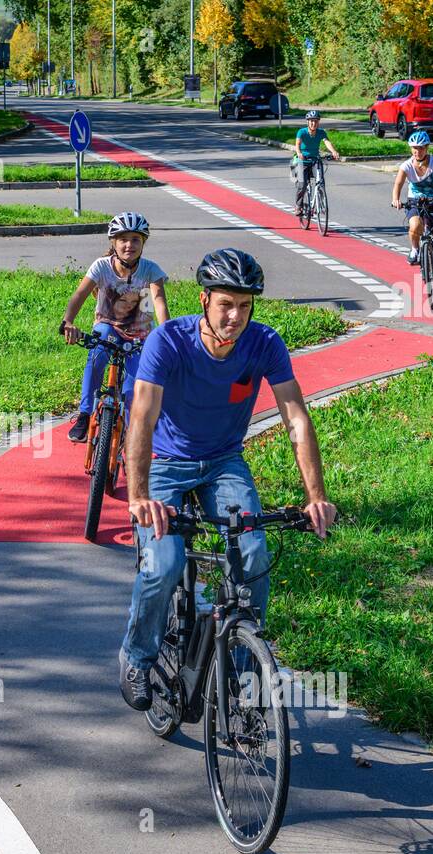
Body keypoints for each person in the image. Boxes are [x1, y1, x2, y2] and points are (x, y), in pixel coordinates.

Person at [117, 250, 338, 710]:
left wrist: (316, 497)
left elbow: (295, 417)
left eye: (244, 305)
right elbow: (141, 416)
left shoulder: (264, 344)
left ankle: (240, 665)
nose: (235, 316)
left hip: (223, 461)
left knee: (254, 553)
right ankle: (137, 657)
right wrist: (138, 496)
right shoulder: (169, 342)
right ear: (204, 300)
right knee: (163, 563)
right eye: (225, 305)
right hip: (164, 461)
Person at [60, 212, 170, 443]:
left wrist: (166, 333)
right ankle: (85, 413)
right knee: (97, 355)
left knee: (133, 391)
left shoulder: (151, 270)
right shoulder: (101, 266)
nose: (129, 245)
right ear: (113, 242)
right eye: (123, 239)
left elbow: (158, 301)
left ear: (143, 243)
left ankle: (130, 436)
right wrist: (68, 321)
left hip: (139, 337)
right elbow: (80, 294)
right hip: (107, 329)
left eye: (135, 239)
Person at [391, 130, 433, 296]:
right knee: (414, 226)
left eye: (420, 148)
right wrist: (396, 199)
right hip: (415, 202)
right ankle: (415, 249)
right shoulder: (406, 165)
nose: (417, 151)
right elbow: (398, 184)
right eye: (414, 148)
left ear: (427, 148)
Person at [293, 110, 340, 217]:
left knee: (321, 183)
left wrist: (333, 151)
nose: (313, 123)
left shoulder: (321, 132)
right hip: (303, 161)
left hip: (315, 160)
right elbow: (297, 144)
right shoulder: (302, 132)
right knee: (303, 185)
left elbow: (327, 142)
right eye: (311, 121)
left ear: (318, 122)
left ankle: (319, 204)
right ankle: (298, 206)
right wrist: (299, 153)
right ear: (307, 122)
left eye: (316, 121)